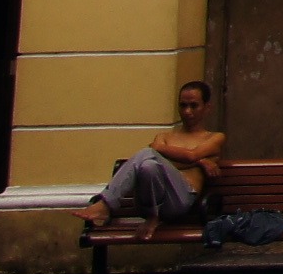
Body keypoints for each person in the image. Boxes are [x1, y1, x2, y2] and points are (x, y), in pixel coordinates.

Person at [74, 81, 223, 229]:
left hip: (179, 201)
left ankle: (105, 204)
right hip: (147, 203)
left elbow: (191, 155)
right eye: (183, 105)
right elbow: (186, 158)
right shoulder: (164, 137)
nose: (187, 111)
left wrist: (191, 158)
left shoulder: (214, 138)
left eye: (194, 105)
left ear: (207, 108)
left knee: (147, 154)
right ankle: (152, 215)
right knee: (148, 165)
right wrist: (201, 162)